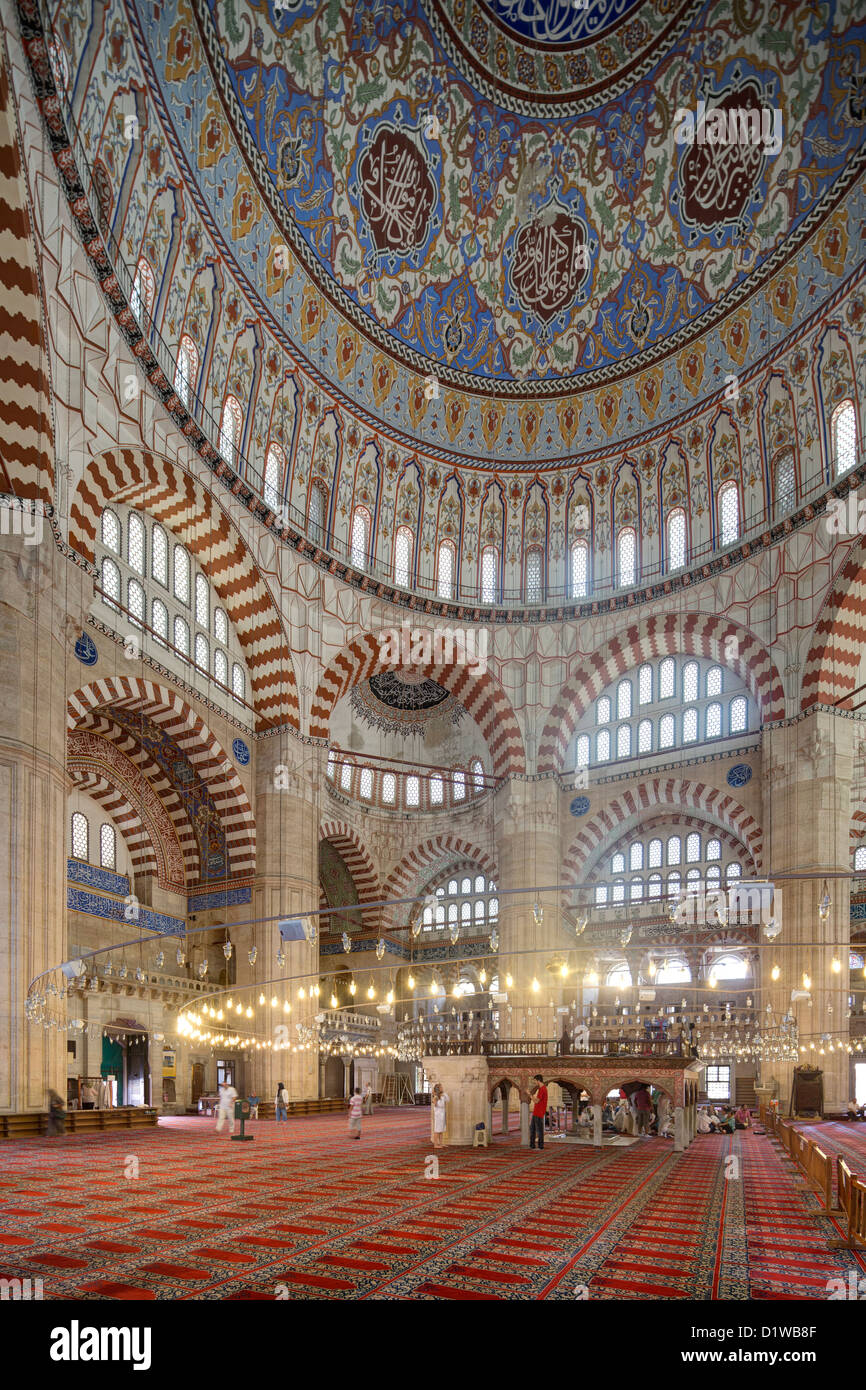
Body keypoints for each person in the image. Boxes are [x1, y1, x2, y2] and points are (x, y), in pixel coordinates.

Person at [529, 1073, 548, 1150]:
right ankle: (532, 1145)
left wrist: (530, 1095)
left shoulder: (542, 1089)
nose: (534, 1083)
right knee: (532, 1129)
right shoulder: (541, 1089)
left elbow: (536, 1101)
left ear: (538, 1080)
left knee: (539, 1130)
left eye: (535, 1081)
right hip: (536, 1112)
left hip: (539, 1112)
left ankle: (540, 1146)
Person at [431, 1083, 449, 1147]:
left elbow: (448, 1100)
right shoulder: (435, 1097)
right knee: (437, 1130)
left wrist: (443, 1094)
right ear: (438, 1089)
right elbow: (436, 1105)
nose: (442, 1088)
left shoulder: (443, 1095)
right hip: (438, 1115)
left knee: (441, 1130)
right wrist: (437, 1097)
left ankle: (441, 1143)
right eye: (441, 1087)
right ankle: (435, 1144)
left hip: (442, 1114)